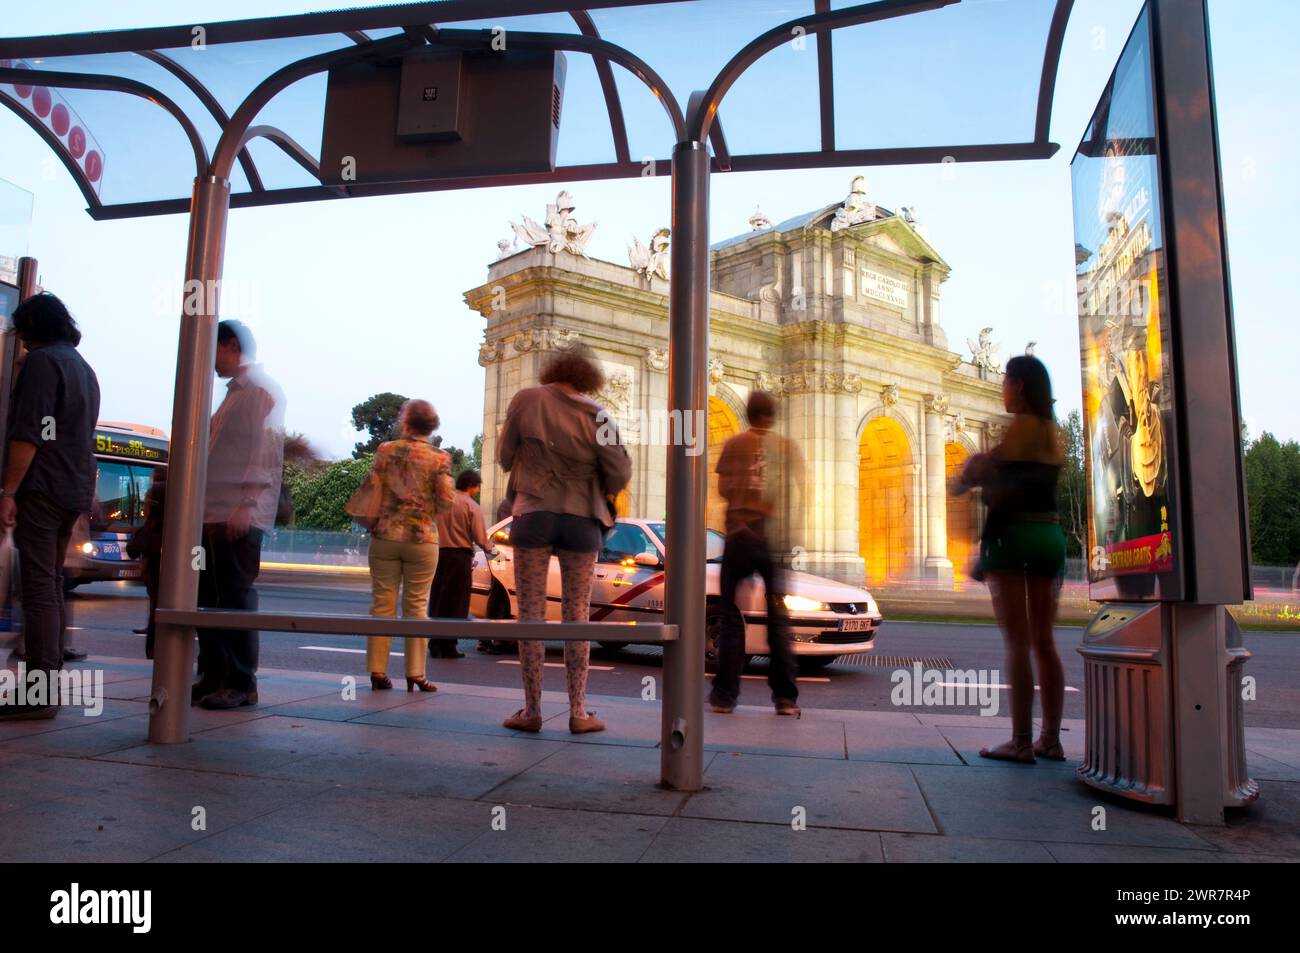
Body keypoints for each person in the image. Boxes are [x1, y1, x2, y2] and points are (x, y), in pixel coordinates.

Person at [498, 344, 630, 734]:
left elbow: (505, 457)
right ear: (587, 378)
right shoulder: (598, 413)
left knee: (532, 614)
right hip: (581, 519)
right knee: (577, 615)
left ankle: (532, 710)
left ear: (552, 370)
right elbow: (620, 472)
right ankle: (578, 711)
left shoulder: (527, 400)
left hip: (534, 514)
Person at [952, 355, 1067, 763]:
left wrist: (966, 477)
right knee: (1045, 641)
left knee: (1017, 644)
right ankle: (1050, 738)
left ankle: (1020, 741)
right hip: (1050, 536)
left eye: (1004, 380)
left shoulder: (1017, 431)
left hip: (1014, 537)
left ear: (1017, 385)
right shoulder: (1053, 434)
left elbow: (980, 482)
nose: (1001, 387)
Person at [0, 293, 99, 720]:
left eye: (22, 335)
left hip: (41, 488)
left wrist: (8, 492)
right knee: (51, 585)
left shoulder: (44, 364)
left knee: (38, 588)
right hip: (71, 489)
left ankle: (39, 693)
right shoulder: (83, 368)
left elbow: (31, 434)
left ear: (31, 330)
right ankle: (46, 683)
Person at [193, 320, 285, 710]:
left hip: (236, 512)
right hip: (213, 511)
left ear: (231, 346)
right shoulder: (234, 394)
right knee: (209, 598)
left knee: (234, 598)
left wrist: (246, 505)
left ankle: (241, 681)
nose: (208, 361)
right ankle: (213, 674)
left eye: (212, 351)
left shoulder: (259, 391)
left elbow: (263, 450)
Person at [708, 390, 804, 717]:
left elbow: (722, 488)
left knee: (731, 617)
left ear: (748, 414)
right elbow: (797, 492)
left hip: (738, 536)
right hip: (771, 541)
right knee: (779, 619)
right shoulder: (786, 447)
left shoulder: (734, 444)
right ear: (772, 416)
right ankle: (785, 698)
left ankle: (724, 696)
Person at [359, 399, 454, 692]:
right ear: (432, 426)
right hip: (422, 539)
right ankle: (415, 673)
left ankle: (377, 671)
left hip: (386, 535)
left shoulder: (385, 450)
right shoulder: (440, 458)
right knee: (417, 607)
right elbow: (446, 501)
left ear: (406, 422)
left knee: (382, 604)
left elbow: (372, 485)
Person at [428, 469, 495, 658]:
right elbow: (481, 538)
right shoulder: (471, 506)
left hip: (441, 554)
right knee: (457, 602)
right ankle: (449, 645)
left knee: (439, 598)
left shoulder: (442, 504)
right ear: (473, 486)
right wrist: (497, 554)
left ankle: (435, 642)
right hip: (461, 557)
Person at [126, 468, 166, 659]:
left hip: (156, 557)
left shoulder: (157, 491)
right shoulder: (184, 491)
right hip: (180, 556)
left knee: (156, 604)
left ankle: (154, 650)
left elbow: (150, 523)